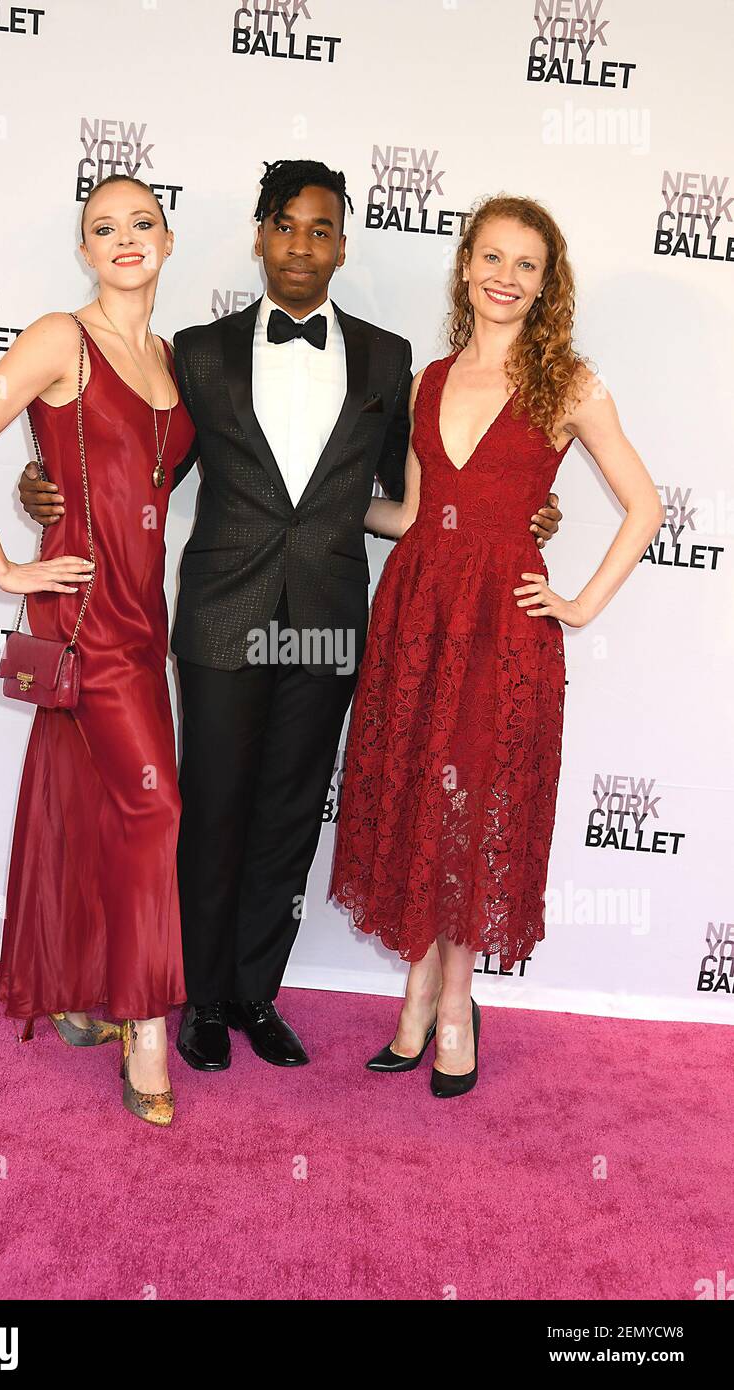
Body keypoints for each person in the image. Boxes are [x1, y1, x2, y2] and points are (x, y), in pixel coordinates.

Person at [19, 160, 562, 1074]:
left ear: (343, 245)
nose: (302, 244)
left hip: (325, 617)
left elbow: (425, 486)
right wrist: (48, 486)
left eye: (321, 229)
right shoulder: (196, 351)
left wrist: (525, 511)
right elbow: (137, 462)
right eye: (286, 226)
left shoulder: (393, 362)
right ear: (261, 237)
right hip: (224, 616)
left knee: (284, 814)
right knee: (212, 808)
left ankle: (253, 997)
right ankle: (191, 997)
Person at [329, 194, 664, 1097]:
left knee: (473, 812)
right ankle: (417, 992)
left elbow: (646, 506)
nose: (503, 278)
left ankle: (447, 1008)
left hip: (500, 629)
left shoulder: (569, 385)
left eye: (525, 265)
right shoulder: (427, 381)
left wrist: (579, 604)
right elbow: (408, 510)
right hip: (417, 612)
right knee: (416, 802)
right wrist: (324, 505)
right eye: (490, 258)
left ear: (546, 284)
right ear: (464, 266)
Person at [0, 174, 196, 1125]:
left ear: (168, 239)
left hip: (145, 624)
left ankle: (87, 993)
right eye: (102, 228)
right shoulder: (58, 338)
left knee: (104, 810)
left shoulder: (167, 357)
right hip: (83, 624)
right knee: (157, 814)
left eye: (141, 223)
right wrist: (4, 565)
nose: (124, 238)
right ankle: (146, 1030)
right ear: (84, 252)